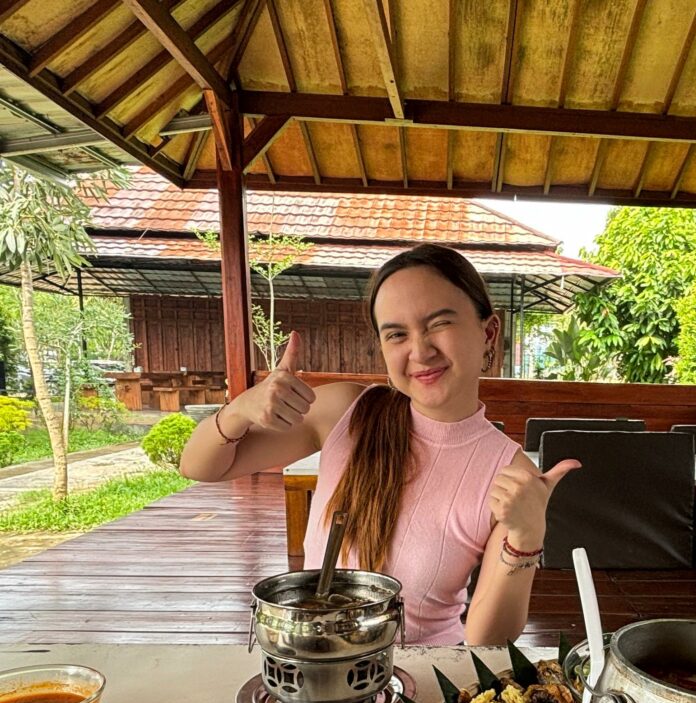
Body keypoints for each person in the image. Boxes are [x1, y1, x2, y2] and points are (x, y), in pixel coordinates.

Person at [180, 243, 579, 645]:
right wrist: (238, 411)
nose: (420, 351)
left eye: (440, 324)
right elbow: (200, 466)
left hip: (421, 679)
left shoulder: (509, 473)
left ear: (488, 332)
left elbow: (485, 641)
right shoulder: (347, 413)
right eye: (397, 334)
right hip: (315, 662)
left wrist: (526, 541)